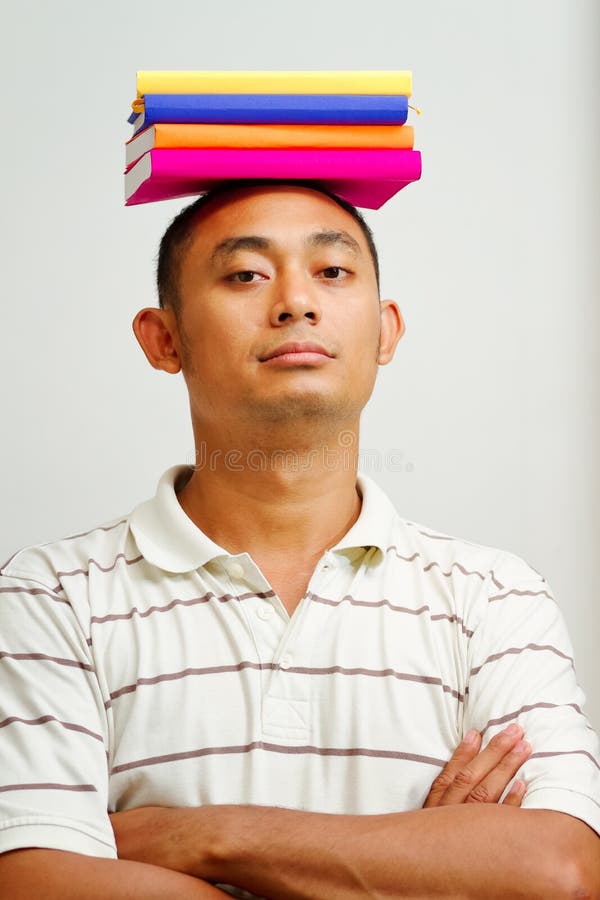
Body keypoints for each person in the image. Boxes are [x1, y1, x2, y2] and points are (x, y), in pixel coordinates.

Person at [0, 181, 598, 899]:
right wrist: (422, 870)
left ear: (385, 331)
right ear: (165, 339)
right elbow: (34, 882)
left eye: (332, 272)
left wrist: (199, 838)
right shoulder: (49, 595)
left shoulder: (496, 596)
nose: (295, 303)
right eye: (246, 274)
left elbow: (561, 873)